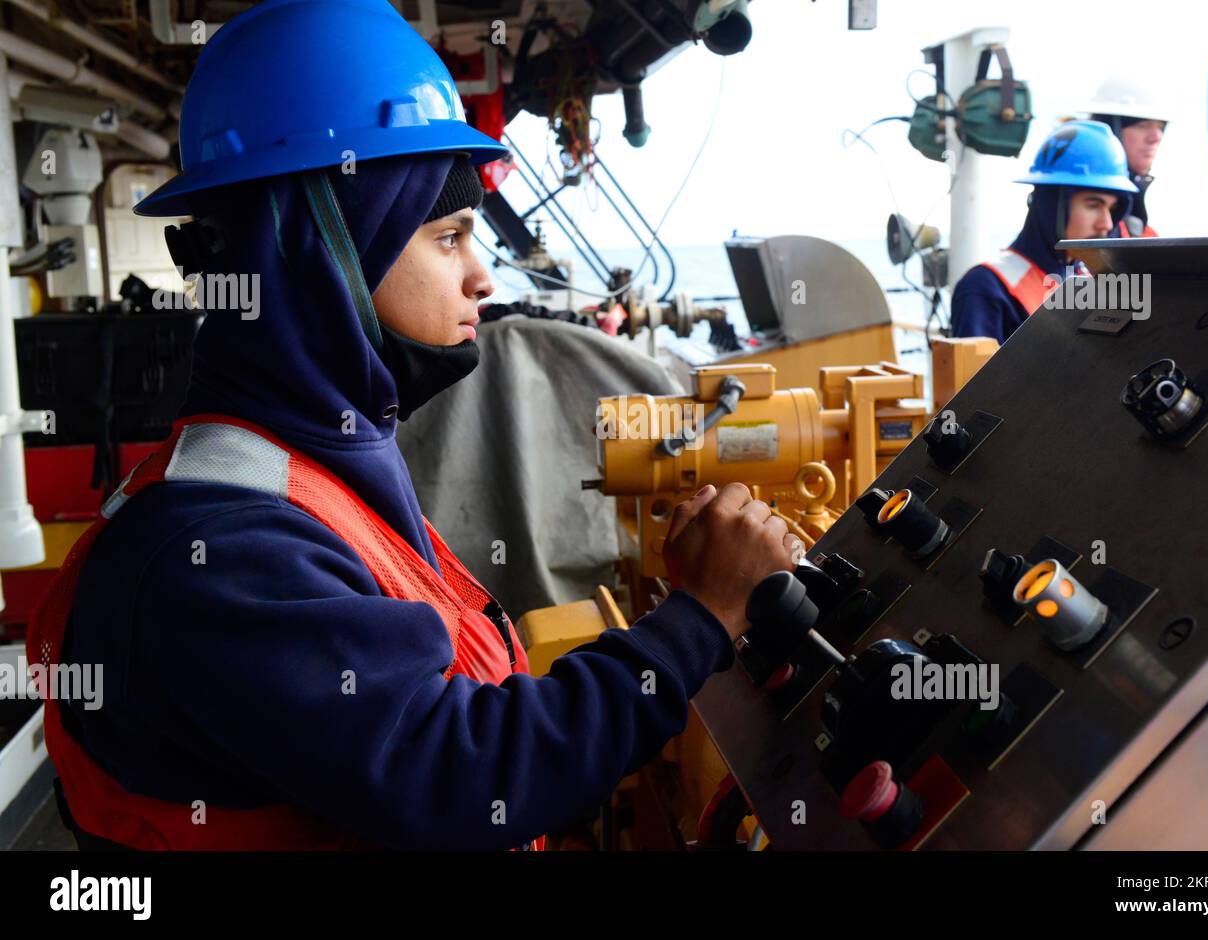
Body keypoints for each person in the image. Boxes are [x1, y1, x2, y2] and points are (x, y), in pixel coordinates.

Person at [27, 0, 800, 851]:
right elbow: (461, 774)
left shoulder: (300, 469)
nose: (481, 276)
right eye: (450, 235)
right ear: (328, 256)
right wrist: (701, 617)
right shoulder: (218, 551)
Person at [949, 120, 1137, 345]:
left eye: (1112, 209)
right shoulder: (985, 289)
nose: (1106, 223)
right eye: (1093, 205)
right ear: (1052, 205)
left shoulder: (1088, 281)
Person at [1087, 78, 1169, 237]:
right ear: (1110, 130)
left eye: (1160, 127)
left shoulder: (1143, 232)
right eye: (1142, 125)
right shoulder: (1080, 223)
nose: (1156, 137)